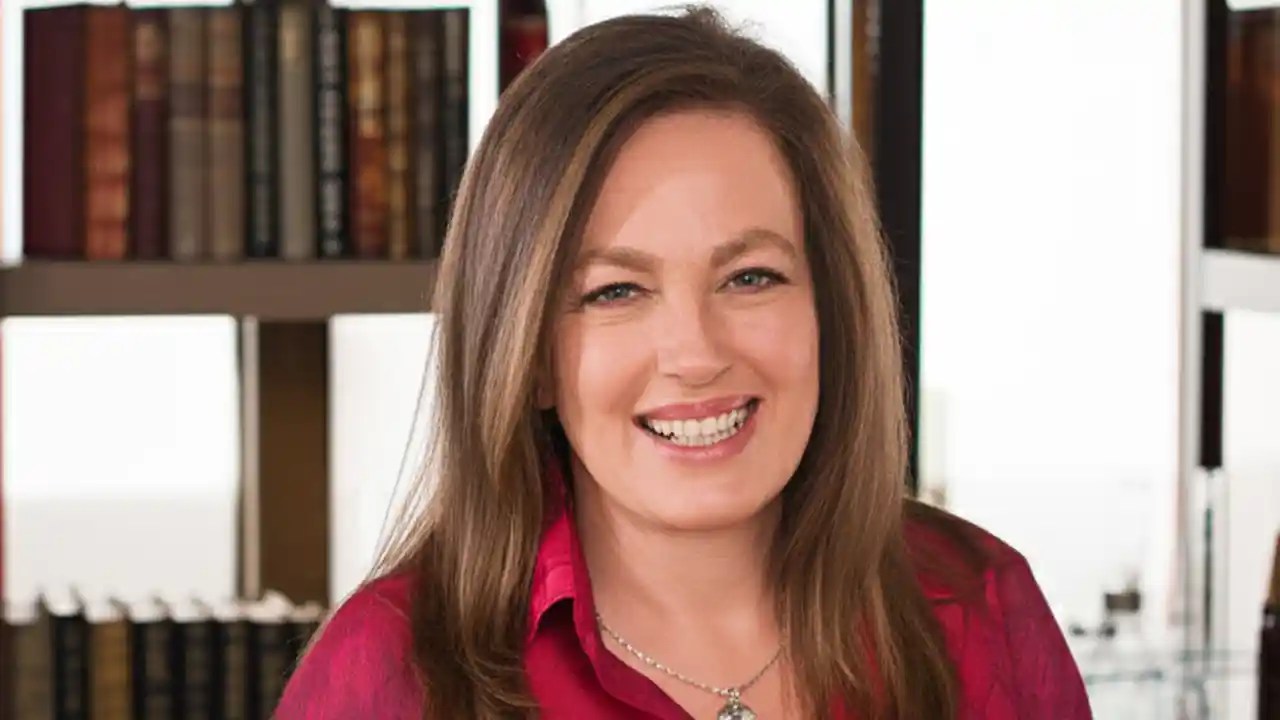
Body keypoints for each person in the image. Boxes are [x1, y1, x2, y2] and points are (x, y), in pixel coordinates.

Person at [277, 7, 1091, 719]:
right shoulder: (392, 675)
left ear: (831, 313)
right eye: (615, 291)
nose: (696, 354)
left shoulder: (979, 607)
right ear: (528, 354)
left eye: (750, 278)